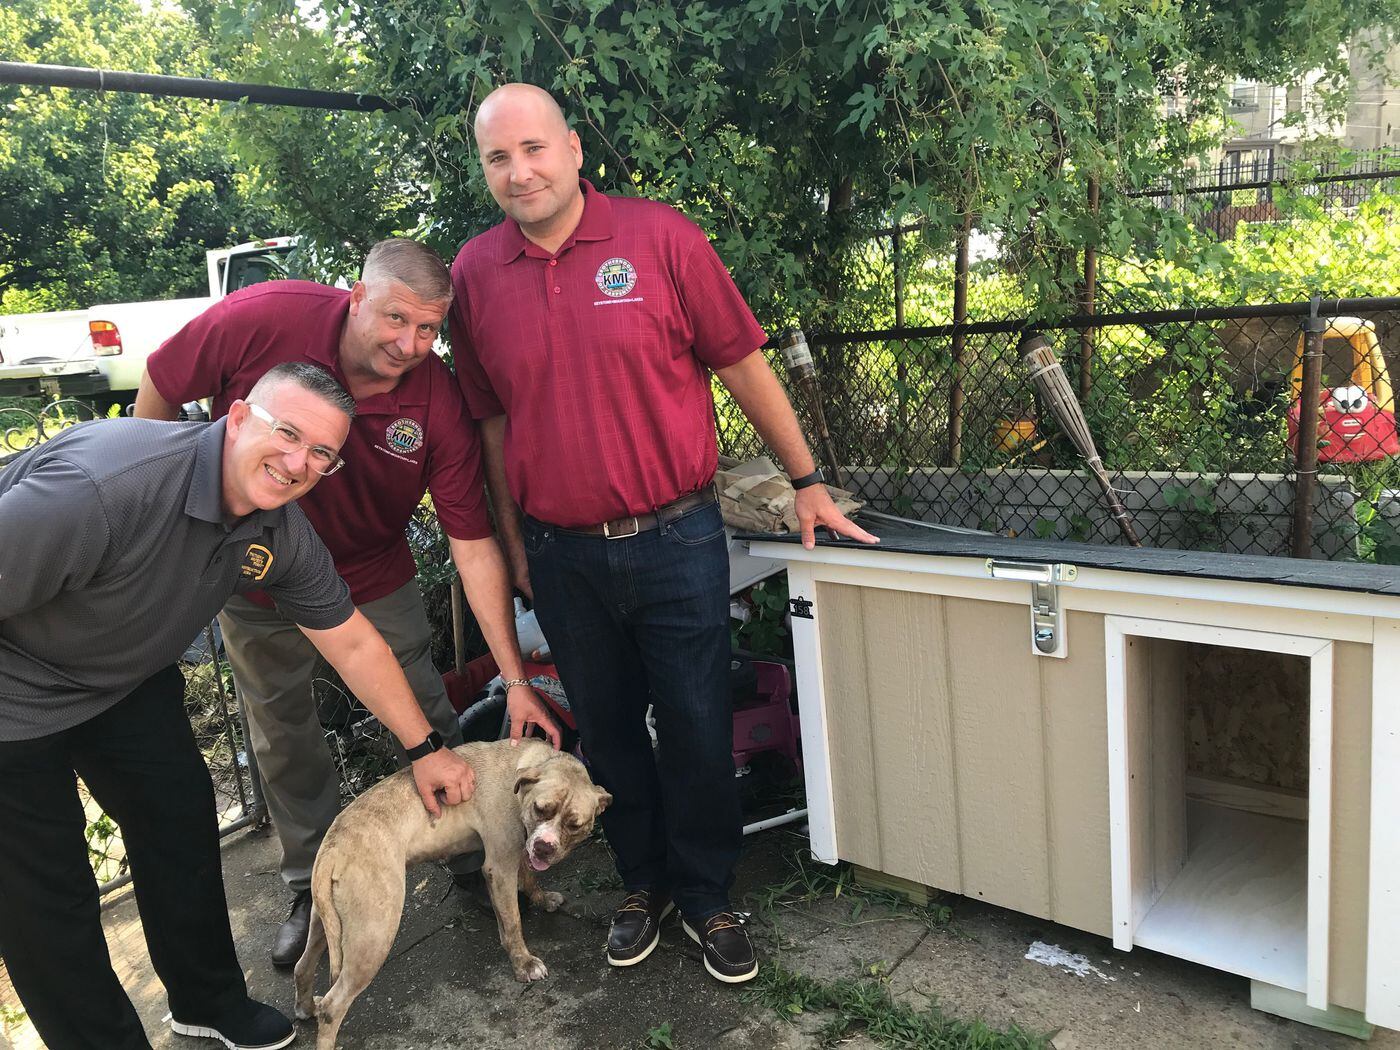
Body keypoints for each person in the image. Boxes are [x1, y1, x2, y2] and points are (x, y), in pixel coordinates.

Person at [449, 83, 878, 985]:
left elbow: (742, 363)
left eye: (533, 148)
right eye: (498, 157)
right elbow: (491, 424)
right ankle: (640, 884)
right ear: (485, 170)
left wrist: (804, 482)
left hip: (675, 537)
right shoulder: (474, 275)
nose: (519, 171)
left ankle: (707, 894)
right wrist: (518, 542)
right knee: (606, 735)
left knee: (694, 726)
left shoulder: (661, 239)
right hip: (561, 554)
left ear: (572, 149)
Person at [0, 363, 477, 1050]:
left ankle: (207, 999)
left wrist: (426, 750)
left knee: (179, 824)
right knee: (48, 897)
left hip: (125, 680)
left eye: (321, 454)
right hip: (15, 694)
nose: (297, 463)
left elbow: (349, 640)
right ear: (240, 415)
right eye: (288, 433)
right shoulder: (103, 488)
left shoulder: (275, 526)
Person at [135, 238, 560, 968]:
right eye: (397, 319)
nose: (411, 344)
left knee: (426, 714)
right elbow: (161, 379)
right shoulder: (265, 317)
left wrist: (515, 675)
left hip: (373, 575)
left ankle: (469, 855)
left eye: (429, 329)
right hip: (257, 570)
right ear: (356, 296)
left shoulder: (438, 398)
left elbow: (471, 539)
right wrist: (167, 511)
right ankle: (311, 885)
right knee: (282, 730)